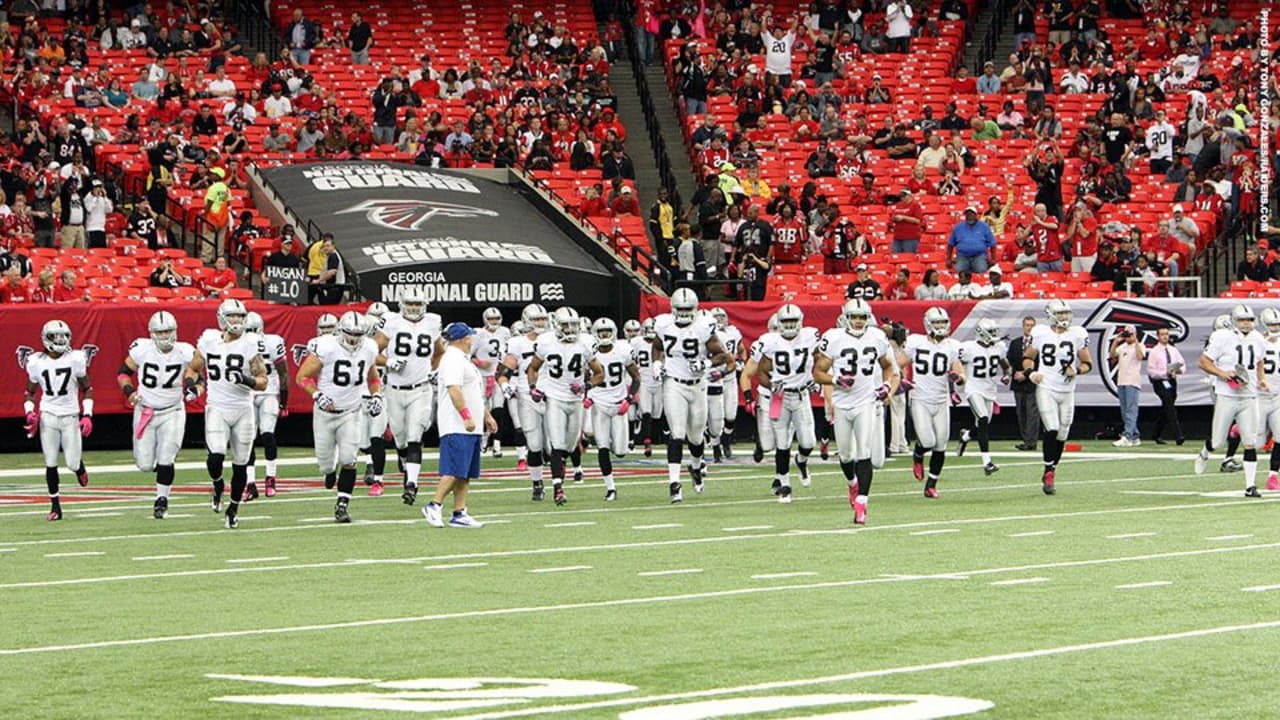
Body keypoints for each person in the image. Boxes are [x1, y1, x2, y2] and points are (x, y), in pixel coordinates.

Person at [813, 299, 898, 525]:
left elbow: (887, 366)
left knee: (864, 451)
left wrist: (886, 385)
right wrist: (836, 380)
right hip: (842, 403)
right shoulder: (834, 338)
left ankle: (862, 503)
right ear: (846, 317)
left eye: (862, 317)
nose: (858, 321)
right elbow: (817, 373)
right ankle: (852, 483)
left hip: (866, 401)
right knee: (845, 455)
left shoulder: (877, 337)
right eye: (854, 317)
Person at [185, 299, 268, 528]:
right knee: (215, 457)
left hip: (243, 409)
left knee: (241, 464)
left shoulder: (250, 343)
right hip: (217, 407)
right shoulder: (209, 340)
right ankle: (218, 483)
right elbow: (193, 368)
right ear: (222, 318)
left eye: (240, 316)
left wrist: (245, 380)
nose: (236, 320)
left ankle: (233, 508)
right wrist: (191, 385)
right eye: (232, 316)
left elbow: (263, 381)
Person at [295, 311, 381, 523]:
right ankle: (329, 472)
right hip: (325, 414)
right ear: (340, 331)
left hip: (351, 412)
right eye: (350, 333)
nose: (354, 338)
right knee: (326, 464)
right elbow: (302, 377)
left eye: (358, 334)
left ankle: (342, 505)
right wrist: (317, 395)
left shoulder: (369, 348)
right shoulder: (327, 347)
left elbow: (373, 378)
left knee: (349, 459)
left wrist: (377, 396)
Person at [651, 289, 734, 501]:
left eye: (688, 309)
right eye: (681, 309)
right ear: (673, 309)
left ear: (695, 309)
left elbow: (723, 355)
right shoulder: (663, 324)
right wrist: (657, 363)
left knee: (696, 437)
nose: (684, 313)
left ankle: (695, 467)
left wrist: (706, 362)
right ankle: (674, 483)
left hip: (698, 385)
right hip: (674, 383)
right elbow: (657, 346)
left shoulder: (703, 326)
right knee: (677, 434)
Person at [118, 311, 193, 518]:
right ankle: (160, 467)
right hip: (145, 411)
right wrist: (129, 392)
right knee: (144, 465)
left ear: (175, 331)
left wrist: (193, 387)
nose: (164, 336)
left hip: (173, 410)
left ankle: (162, 500)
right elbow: (123, 373)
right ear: (152, 333)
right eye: (160, 332)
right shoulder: (142, 349)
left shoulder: (185, 351)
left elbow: (197, 375)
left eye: (167, 331)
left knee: (166, 458)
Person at [420, 322, 493, 527]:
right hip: (456, 424)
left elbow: (472, 393)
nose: (471, 340)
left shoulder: (462, 359)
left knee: (465, 472)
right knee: (454, 469)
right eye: (469, 337)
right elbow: (454, 390)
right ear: (463, 339)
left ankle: (459, 512)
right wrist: (466, 416)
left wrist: (486, 416)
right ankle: (434, 504)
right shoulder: (452, 358)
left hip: (470, 425)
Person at [376, 287, 443, 505]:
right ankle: (404, 460)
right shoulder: (391, 322)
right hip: (394, 389)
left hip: (421, 388)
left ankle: (411, 484)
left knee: (415, 436)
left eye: (417, 304)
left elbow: (439, 352)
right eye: (410, 304)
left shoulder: (432, 322)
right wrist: (388, 361)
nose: (413, 308)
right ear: (402, 304)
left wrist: (434, 370)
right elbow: (371, 352)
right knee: (400, 438)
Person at [1020, 299, 1094, 495]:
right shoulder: (1040, 333)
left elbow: (1087, 363)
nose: (1064, 317)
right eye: (1060, 313)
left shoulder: (1077, 334)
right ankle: (1048, 471)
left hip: (1067, 390)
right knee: (1051, 428)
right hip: (1046, 387)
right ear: (1051, 315)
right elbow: (1027, 358)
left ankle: (1052, 469)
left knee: (1063, 433)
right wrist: (1031, 374)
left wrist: (1077, 370)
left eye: (1066, 313)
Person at [23, 320, 93, 521]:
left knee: (72, 463)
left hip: (70, 415)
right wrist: (29, 412)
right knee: (51, 461)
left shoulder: (75, 359)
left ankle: (79, 467)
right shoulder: (36, 362)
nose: (61, 340)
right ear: (46, 338)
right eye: (56, 336)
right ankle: (55, 506)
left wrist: (87, 414)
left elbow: (87, 388)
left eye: (64, 336)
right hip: (48, 415)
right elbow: (30, 392)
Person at [1194, 305, 1266, 497]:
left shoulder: (1258, 338)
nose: (1246, 323)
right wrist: (1222, 373)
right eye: (1242, 320)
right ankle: (1206, 450)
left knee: (1250, 441)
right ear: (1234, 321)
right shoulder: (1222, 337)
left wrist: (1261, 379)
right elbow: (1203, 361)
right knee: (1217, 441)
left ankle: (1250, 486)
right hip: (1227, 395)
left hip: (1249, 395)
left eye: (1249, 320)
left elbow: (1259, 360)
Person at [754, 304, 820, 501]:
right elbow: (761, 372)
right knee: (781, 443)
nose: (790, 325)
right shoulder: (771, 342)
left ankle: (801, 460)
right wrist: (771, 385)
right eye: (786, 321)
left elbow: (821, 361)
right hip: (779, 398)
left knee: (808, 442)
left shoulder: (810, 337)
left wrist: (815, 379)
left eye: (793, 321)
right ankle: (784, 484)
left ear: (800, 321)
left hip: (801, 395)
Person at [902, 308, 966, 498]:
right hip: (920, 398)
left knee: (941, 444)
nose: (940, 326)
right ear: (928, 324)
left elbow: (961, 375)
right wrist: (902, 379)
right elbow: (899, 363)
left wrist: (958, 378)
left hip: (941, 400)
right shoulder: (916, 342)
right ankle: (918, 454)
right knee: (928, 441)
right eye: (936, 322)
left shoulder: (952, 346)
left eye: (942, 322)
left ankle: (931, 485)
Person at [585, 319, 640, 501]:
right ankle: (610, 488)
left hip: (618, 405)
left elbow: (636, 377)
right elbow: (583, 378)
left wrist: (629, 399)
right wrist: (587, 395)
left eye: (607, 331)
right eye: (601, 332)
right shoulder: (589, 352)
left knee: (621, 451)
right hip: (599, 403)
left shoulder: (623, 350)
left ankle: (612, 443)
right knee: (602, 447)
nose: (604, 335)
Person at [505, 304, 552, 497]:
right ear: (526, 321)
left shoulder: (554, 339)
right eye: (536, 319)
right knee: (534, 444)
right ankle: (537, 483)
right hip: (527, 395)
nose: (540, 323)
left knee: (555, 444)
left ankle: (558, 481)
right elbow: (504, 371)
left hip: (552, 395)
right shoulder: (517, 343)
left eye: (542, 319)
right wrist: (505, 385)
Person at [242, 312, 288, 500]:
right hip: (247, 395)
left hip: (268, 392)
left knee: (267, 435)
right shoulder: (237, 345)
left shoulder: (272, 342)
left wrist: (284, 401)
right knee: (247, 439)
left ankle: (270, 478)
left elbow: (283, 373)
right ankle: (250, 482)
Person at [472, 307, 511, 459]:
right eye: (491, 319)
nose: (494, 322)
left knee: (498, 409)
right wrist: (480, 363)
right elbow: (468, 355)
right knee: (482, 409)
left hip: (497, 376)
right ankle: (483, 437)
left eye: (496, 318)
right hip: (481, 377)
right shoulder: (478, 334)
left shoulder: (505, 332)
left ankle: (496, 443)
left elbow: (509, 354)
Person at [710, 308, 744, 461]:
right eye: (716, 317)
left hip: (729, 378)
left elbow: (741, 349)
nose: (719, 319)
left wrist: (741, 361)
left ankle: (726, 439)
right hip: (713, 379)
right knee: (715, 417)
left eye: (722, 316)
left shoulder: (733, 333)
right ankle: (715, 446)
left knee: (731, 415)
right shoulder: (707, 334)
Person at [1146, 326, 1185, 446]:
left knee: (1167, 406)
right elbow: (1151, 371)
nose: (1165, 337)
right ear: (1158, 336)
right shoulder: (1154, 351)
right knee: (1169, 404)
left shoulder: (1173, 350)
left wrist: (1177, 370)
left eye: (1166, 334)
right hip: (1160, 381)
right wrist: (1164, 373)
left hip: (1171, 380)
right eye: (1162, 334)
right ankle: (1178, 435)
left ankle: (1156, 433)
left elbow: (1182, 364)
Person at [1109, 325, 1147, 447]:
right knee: (1124, 410)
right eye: (1127, 334)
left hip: (1132, 381)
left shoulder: (1140, 346)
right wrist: (1116, 341)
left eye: (1130, 334)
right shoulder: (1122, 347)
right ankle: (1135, 435)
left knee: (1131, 409)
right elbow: (1112, 355)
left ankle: (1128, 436)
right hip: (1121, 381)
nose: (1128, 337)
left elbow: (1140, 356)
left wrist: (1136, 341)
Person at [631, 318, 663, 458]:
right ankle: (647, 443)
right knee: (646, 413)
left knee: (657, 414)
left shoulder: (662, 342)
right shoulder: (636, 342)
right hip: (644, 382)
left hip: (659, 383)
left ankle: (656, 438)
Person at [1009, 316, 1041, 451]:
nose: (1029, 328)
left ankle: (1031, 442)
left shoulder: (1039, 343)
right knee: (1021, 413)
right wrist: (1017, 374)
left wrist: (1026, 374)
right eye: (1027, 325)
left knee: (1032, 413)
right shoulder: (1015, 343)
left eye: (1032, 325)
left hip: (1032, 382)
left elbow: (1040, 363)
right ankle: (1026, 439)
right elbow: (1011, 360)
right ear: (1023, 326)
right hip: (1018, 383)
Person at [1258, 309, 1280, 491]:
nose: (1275, 328)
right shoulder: (1256, 342)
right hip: (1259, 395)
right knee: (1255, 441)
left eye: (1277, 325)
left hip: (1278, 395)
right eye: (1272, 325)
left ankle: (1273, 475)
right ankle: (1237, 430)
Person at [946, 205, 996, 273]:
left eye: (971, 213)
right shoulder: (958, 227)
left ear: (975, 215)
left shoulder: (984, 227)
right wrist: (948, 259)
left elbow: (992, 243)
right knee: (958, 271)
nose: (969, 216)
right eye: (967, 214)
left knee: (981, 270)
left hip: (979, 256)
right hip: (962, 256)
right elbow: (950, 244)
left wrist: (993, 259)